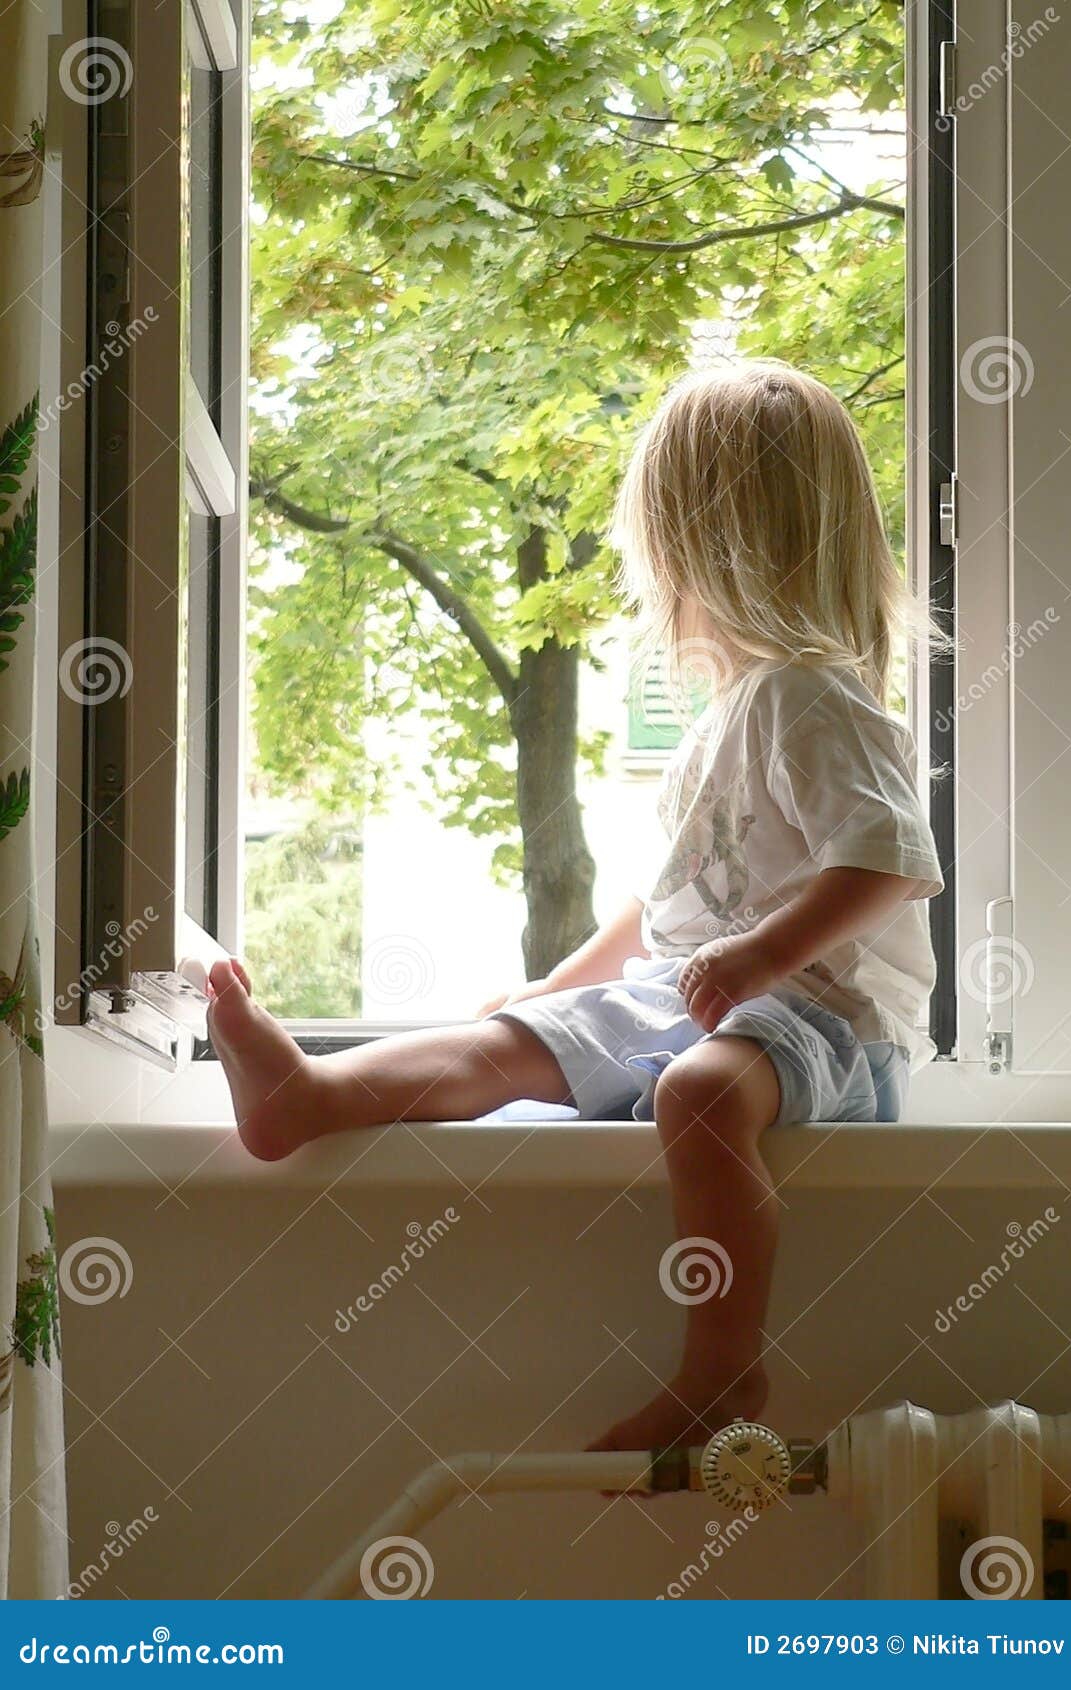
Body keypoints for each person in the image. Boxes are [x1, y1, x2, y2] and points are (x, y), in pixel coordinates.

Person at [205, 360, 944, 1454]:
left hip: (826, 1022)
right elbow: (666, 905)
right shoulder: (726, 715)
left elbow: (887, 861)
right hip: (715, 998)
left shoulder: (812, 697)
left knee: (694, 1097)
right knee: (514, 1038)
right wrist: (563, 986)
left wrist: (751, 959)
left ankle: (722, 1370)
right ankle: (305, 1097)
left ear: (706, 549)